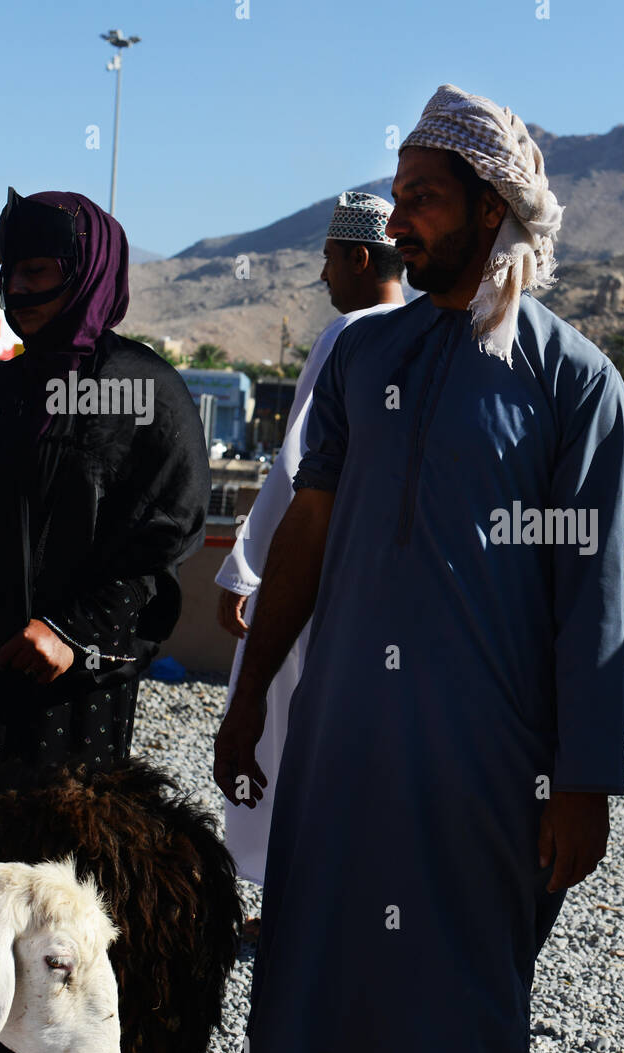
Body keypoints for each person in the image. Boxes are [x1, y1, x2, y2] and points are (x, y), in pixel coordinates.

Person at [214, 84, 624, 1053]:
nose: (397, 218)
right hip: (337, 740)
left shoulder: (572, 382)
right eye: (395, 196)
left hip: (480, 764)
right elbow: (306, 535)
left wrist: (583, 783)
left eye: (423, 196)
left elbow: (590, 598)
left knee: (459, 998)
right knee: (310, 980)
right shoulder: (363, 352)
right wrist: (247, 700)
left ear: (491, 205)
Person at [0, 188, 210, 775]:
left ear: (87, 271)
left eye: (36, 270)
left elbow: (162, 540)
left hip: (65, 699)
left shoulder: (143, 395)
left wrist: (72, 629)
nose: (16, 289)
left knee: (47, 860)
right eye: (8, 271)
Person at [214, 191, 406, 887]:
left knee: (282, 729)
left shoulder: (350, 335)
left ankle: (291, 887)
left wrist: (244, 568)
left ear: (358, 257)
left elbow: (300, 471)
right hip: (380, 588)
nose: (324, 278)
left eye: (328, 261)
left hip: (314, 578)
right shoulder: (428, 331)